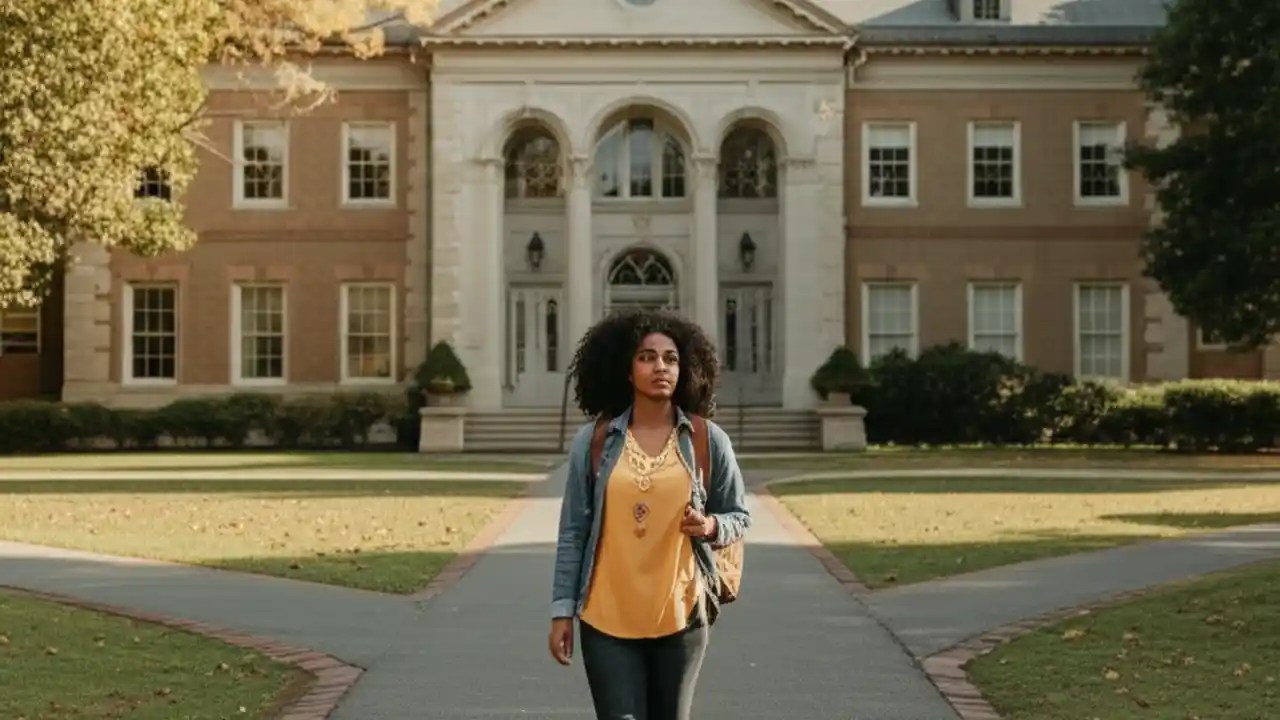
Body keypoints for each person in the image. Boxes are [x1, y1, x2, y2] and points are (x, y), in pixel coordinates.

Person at [548, 308, 751, 720]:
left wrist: (710, 525)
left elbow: (738, 517)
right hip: (604, 617)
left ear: (685, 368)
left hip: (680, 615)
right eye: (647, 357)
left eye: (671, 358)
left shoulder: (706, 440)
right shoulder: (594, 441)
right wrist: (561, 611)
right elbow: (574, 531)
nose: (661, 366)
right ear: (626, 369)